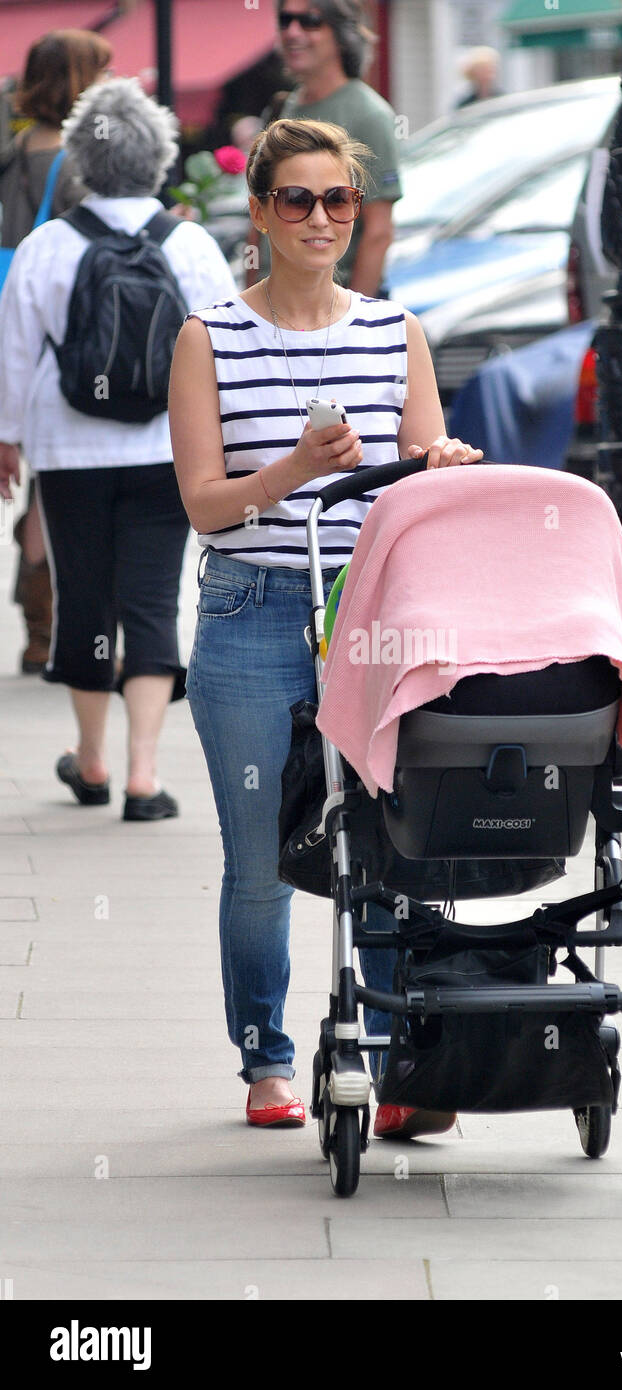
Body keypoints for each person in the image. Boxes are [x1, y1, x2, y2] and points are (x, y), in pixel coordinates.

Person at [168, 116, 482, 1136]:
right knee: (260, 856)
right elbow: (205, 505)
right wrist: (297, 473)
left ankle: (393, 1063)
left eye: (337, 198)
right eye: (296, 198)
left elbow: (424, 462)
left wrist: (442, 463)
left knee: (388, 844)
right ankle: (265, 1059)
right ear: (258, 211)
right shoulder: (208, 337)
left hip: (370, 610)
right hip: (249, 608)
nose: (320, 217)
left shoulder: (395, 331)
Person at [0, 78, 237, 819]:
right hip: (166, 446)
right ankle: (143, 775)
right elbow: (224, 350)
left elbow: (14, 352)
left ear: (80, 158)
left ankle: (92, 760)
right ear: (160, 157)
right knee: (153, 598)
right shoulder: (191, 243)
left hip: (68, 449)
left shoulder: (47, 245)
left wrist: (6, 438)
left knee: (86, 598)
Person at [0, 29, 113, 675]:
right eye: (100, 72)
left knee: (39, 478)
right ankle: (49, 623)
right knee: (51, 482)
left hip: (9, 318)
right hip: (54, 326)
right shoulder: (73, 160)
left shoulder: (16, 149)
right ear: (77, 80)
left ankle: (37, 626)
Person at [265, 0, 400, 296]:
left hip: (328, 317)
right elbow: (260, 210)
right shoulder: (284, 106)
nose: (293, 32)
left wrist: (351, 327)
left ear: (341, 32)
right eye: (285, 20)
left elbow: (378, 233)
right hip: (273, 310)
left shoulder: (369, 114)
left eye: (310, 21)